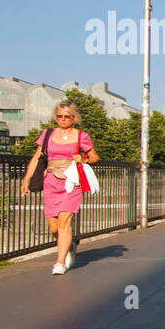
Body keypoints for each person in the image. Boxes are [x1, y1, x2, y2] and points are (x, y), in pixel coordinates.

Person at [20, 100, 99, 275]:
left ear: (74, 118)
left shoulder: (81, 136)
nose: (63, 119)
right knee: (53, 226)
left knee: (64, 221)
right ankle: (69, 246)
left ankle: (60, 261)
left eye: (67, 116)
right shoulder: (47, 134)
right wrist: (26, 179)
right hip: (50, 180)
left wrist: (82, 158)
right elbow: (36, 157)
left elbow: (94, 157)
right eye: (59, 116)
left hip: (71, 181)